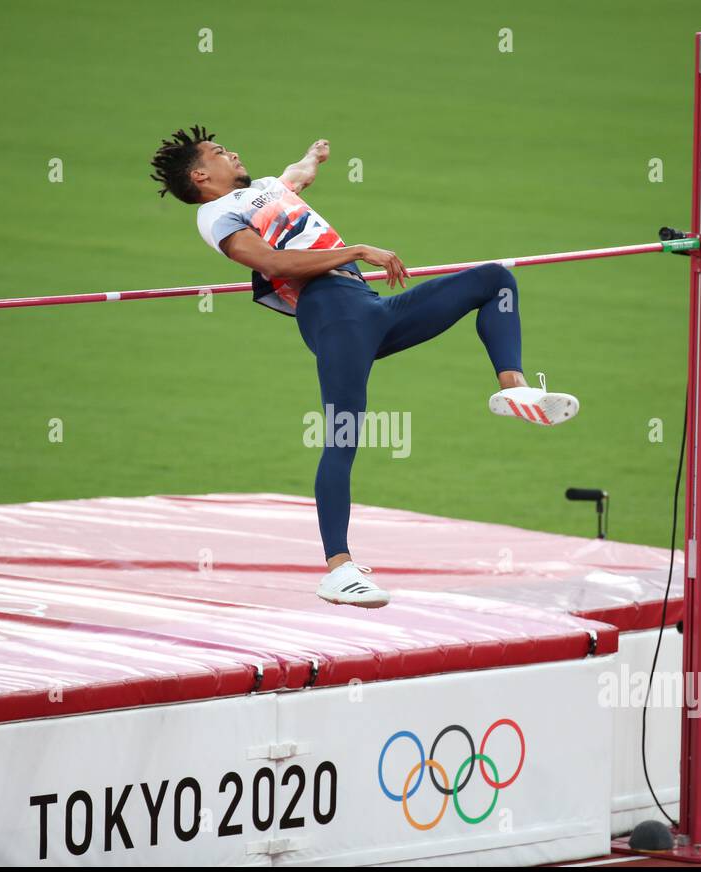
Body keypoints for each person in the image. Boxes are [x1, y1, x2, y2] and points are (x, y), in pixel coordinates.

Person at [149, 126, 578, 609]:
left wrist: (313, 156)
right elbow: (273, 262)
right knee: (344, 434)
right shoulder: (216, 215)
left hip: (369, 307)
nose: (232, 151)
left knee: (494, 279)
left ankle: (513, 388)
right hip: (332, 314)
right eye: (218, 152)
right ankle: (338, 569)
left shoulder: (267, 187)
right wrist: (355, 250)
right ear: (201, 174)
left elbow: (297, 176)